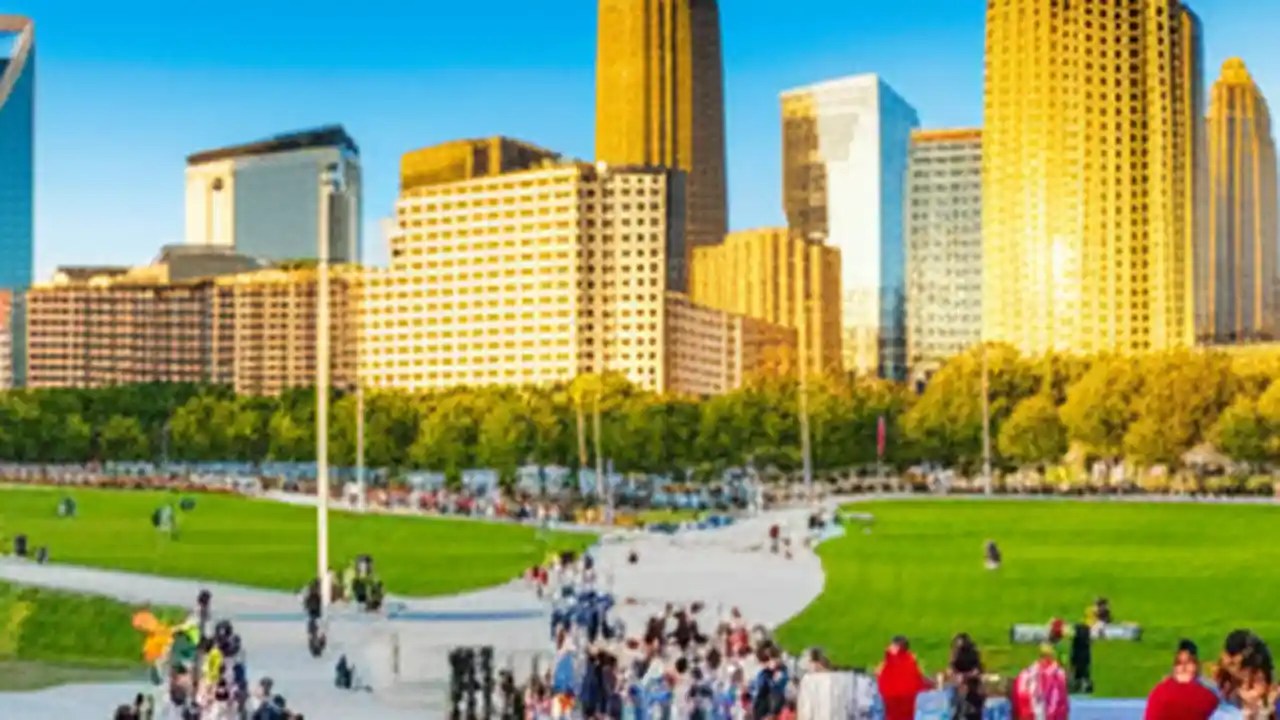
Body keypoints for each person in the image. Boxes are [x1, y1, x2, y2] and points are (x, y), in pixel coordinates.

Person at [1144, 640, 1220, 720]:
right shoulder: (1161, 691)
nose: (1184, 667)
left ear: (1197, 666)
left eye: (1188, 663)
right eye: (1179, 663)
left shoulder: (1159, 691)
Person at [877, 636, 932, 720]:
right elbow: (919, 683)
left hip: (891, 707)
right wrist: (932, 684)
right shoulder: (910, 662)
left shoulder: (886, 664)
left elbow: (880, 682)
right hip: (907, 708)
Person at [1013, 644, 1068, 720]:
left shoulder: (1026, 674)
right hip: (1045, 712)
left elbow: (1019, 697)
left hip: (1033, 712)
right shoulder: (1058, 674)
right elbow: (1062, 701)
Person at [949, 633, 985, 720]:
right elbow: (951, 669)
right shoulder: (956, 654)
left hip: (971, 690)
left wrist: (964, 677)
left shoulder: (971, 654)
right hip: (965, 689)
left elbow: (977, 671)